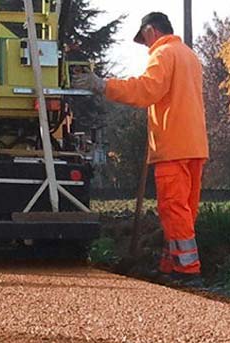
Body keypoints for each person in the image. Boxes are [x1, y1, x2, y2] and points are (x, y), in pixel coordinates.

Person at [80, 12, 208, 282]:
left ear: (151, 31)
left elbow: (146, 90)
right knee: (183, 210)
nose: (146, 46)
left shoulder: (163, 54)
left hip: (173, 146)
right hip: (194, 145)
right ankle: (171, 264)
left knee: (174, 209)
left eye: (145, 39)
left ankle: (187, 270)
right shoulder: (188, 55)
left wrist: (104, 86)